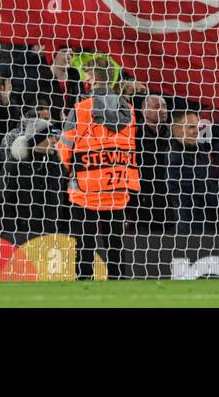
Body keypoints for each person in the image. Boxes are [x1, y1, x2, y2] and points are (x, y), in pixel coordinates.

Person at [55, 52, 140, 279]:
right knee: (115, 248)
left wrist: (73, 170)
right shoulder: (129, 111)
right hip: (117, 189)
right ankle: (118, 289)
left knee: (85, 248)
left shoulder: (81, 108)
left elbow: (64, 149)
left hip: (85, 191)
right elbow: (130, 146)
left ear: (91, 78)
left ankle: (84, 291)